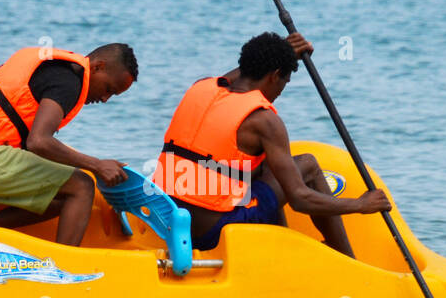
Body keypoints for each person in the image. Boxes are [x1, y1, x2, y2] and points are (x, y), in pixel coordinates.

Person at [154, 32, 390, 255]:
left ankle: (277, 249)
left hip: (166, 218)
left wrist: (283, 51)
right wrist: (360, 204)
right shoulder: (265, 122)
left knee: (264, 166)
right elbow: (299, 198)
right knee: (307, 163)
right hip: (210, 232)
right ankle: (346, 258)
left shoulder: (201, 87)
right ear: (274, 75)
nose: (280, 91)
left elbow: (238, 74)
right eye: (284, 81)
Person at [0, 43, 138, 246]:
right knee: (81, 186)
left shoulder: (41, 63)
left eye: (112, 95)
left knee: (59, 198)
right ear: (97, 67)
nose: (104, 98)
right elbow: (39, 142)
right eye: (108, 89)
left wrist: (5, 128)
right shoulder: (70, 83)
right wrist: (98, 165)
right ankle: (66, 268)